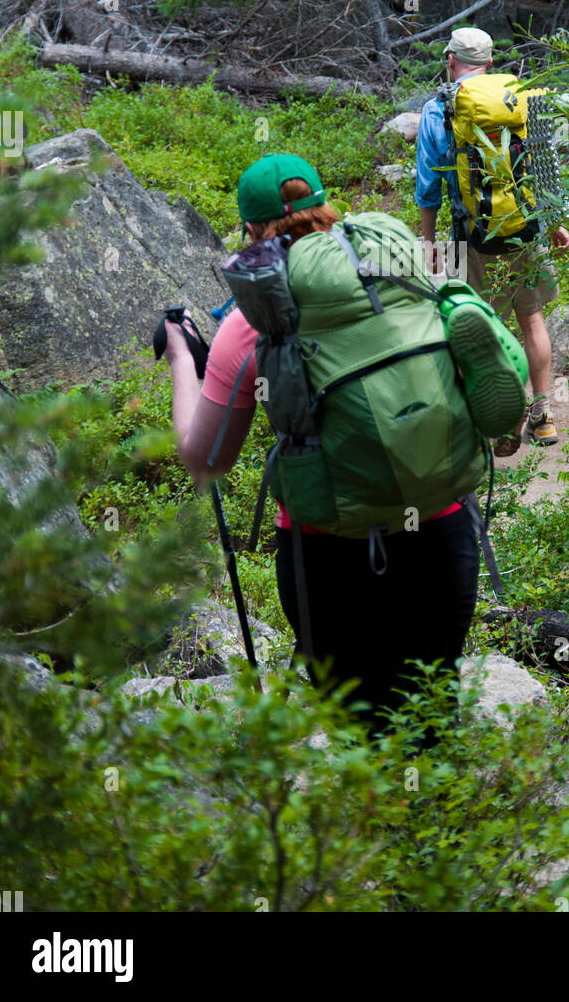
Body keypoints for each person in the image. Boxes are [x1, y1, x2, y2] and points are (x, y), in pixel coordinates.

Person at [161, 154, 481, 739]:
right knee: (433, 716)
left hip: (329, 556)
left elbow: (205, 460)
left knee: (363, 731)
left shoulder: (254, 321)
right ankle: (438, 818)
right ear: (326, 206)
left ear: (252, 229)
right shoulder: (397, 264)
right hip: (443, 530)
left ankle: (385, 820)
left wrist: (185, 356)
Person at [416, 27, 569, 456]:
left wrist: (429, 245)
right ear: (489, 62)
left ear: (451, 60)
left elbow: (429, 187)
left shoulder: (438, 109)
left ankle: (497, 420)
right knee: (532, 319)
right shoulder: (521, 97)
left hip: (472, 236)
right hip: (526, 229)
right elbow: (543, 163)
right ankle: (542, 416)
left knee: (481, 328)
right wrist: (553, 219)